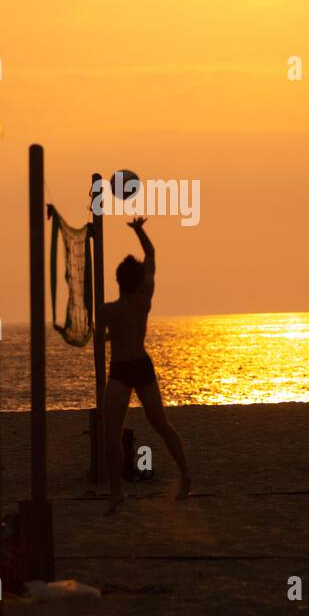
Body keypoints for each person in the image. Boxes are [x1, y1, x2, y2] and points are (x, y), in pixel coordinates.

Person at [98, 217, 190, 515]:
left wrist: (111, 333)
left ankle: (115, 493)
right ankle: (186, 476)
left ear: (117, 281)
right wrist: (138, 230)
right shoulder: (144, 298)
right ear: (137, 282)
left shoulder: (107, 310)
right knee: (162, 425)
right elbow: (151, 255)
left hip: (123, 369)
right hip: (141, 364)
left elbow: (99, 341)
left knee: (112, 433)